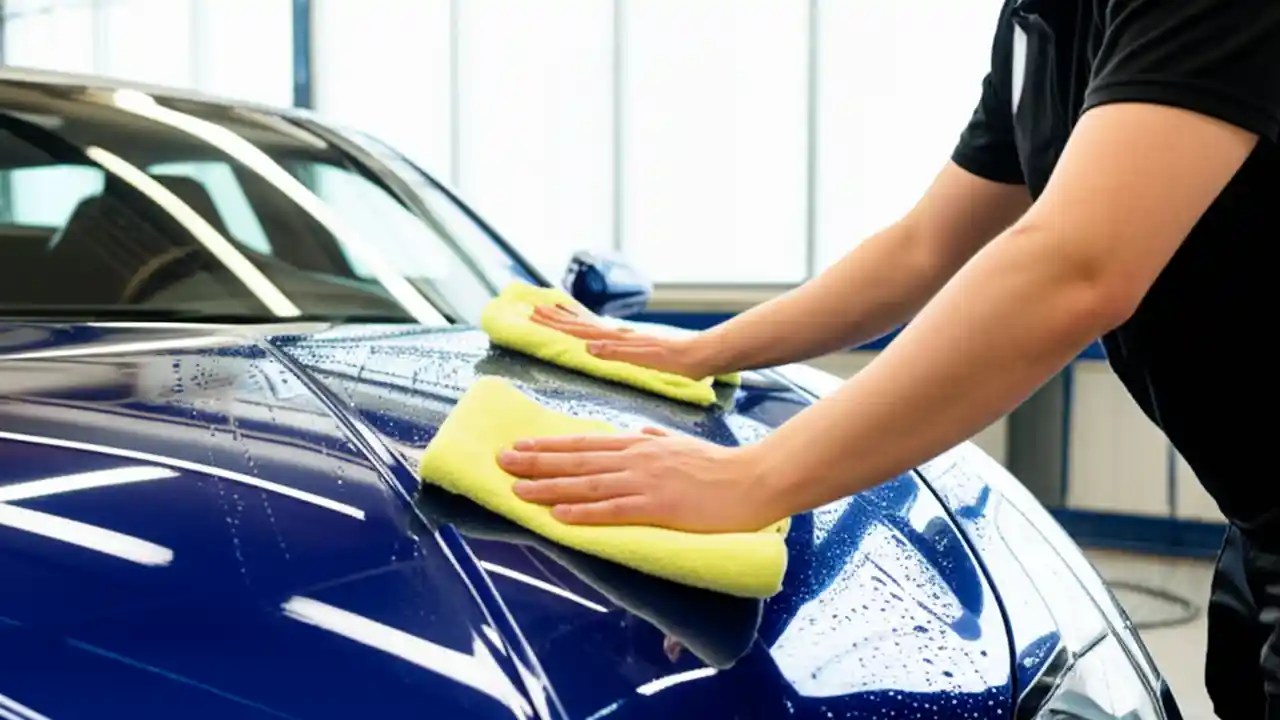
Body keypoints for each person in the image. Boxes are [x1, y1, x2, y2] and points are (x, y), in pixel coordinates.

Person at [497, 1, 1280, 715]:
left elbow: (1076, 266)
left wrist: (751, 478)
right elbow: (922, 248)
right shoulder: (1041, 19)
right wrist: (705, 350)